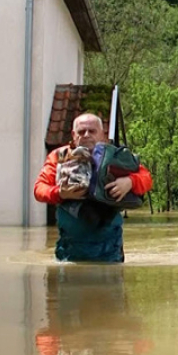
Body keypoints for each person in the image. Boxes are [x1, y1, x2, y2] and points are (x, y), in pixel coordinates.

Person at [35, 113, 152, 263]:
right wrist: (60, 193)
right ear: (73, 135)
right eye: (81, 132)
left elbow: (146, 178)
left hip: (110, 252)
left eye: (92, 131)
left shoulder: (116, 156)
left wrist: (130, 181)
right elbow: (39, 189)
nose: (86, 135)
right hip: (68, 253)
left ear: (102, 135)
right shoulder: (59, 156)